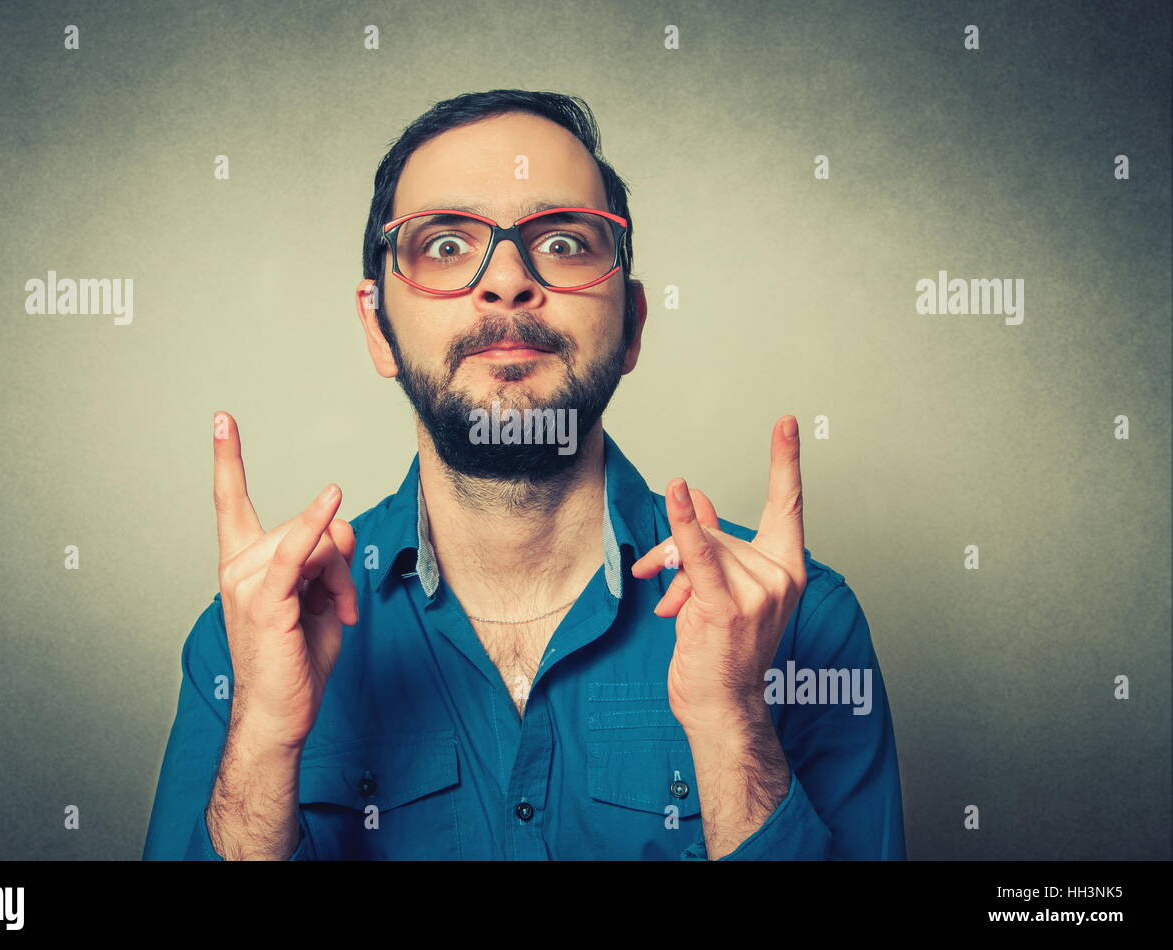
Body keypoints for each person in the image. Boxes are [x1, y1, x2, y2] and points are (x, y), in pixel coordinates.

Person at [142, 89, 906, 860]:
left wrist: (734, 720)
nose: (505, 280)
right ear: (378, 329)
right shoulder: (252, 632)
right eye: (444, 245)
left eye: (564, 242)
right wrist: (264, 736)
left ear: (633, 325)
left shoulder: (803, 623)